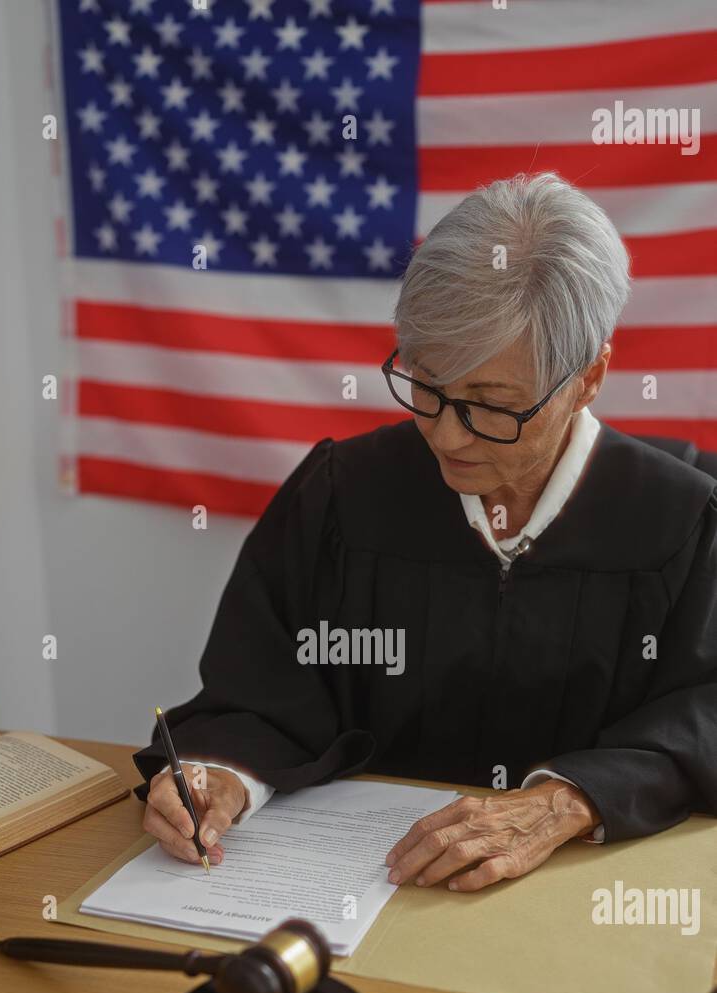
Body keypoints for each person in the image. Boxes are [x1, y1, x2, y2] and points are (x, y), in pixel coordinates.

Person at [133, 172, 717, 893]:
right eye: (426, 386)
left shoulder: (684, 517)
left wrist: (570, 798)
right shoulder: (342, 496)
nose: (444, 435)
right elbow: (261, 690)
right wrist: (220, 774)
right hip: (358, 889)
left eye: (488, 404)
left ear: (588, 377)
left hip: (586, 893)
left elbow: (704, 717)